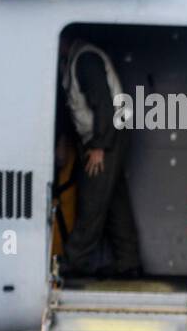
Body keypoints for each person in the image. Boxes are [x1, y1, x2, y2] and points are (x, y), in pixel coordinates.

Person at [59, 39, 142, 278]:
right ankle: (129, 263)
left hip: (107, 137)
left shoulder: (85, 60)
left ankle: (75, 261)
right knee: (115, 200)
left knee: (92, 199)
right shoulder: (77, 60)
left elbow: (104, 105)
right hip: (110, 135)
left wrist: (99, 146)